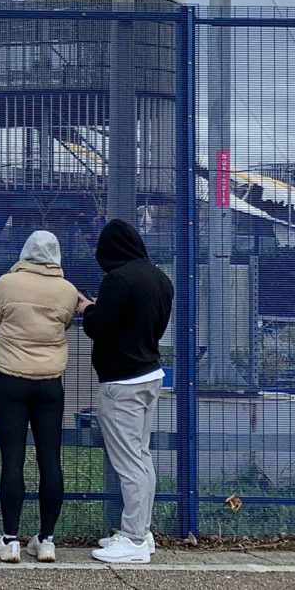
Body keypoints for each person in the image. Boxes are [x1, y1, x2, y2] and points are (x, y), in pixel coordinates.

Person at [0, 230, 79, 564]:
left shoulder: (7, 284)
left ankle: (10, 541)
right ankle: (46, 540)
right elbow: (64, 323)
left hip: (11, 381)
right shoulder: (67, 291)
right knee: (50, 459)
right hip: (50, 384)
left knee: (13, 459)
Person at [79, 217, 174, 565]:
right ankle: (141, 531)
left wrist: (88, 308)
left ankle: (134, 539)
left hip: (122, 381)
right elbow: (155, 327)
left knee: (130, 462)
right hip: (151, 374)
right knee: (141, 456)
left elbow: (98, 328)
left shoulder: (118, 280)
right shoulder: (161, 279)